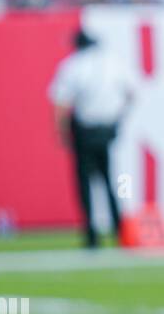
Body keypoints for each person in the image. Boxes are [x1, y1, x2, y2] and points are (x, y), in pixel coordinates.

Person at [48, 28, 136, 248]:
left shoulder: (73, 65)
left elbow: (61, 102)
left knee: (85, 183)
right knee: (110, 179)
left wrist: (61, 131)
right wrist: (117, 117)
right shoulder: (113, 62)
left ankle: (91, 234)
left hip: (84, 129)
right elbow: (131, 94)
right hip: (107, 127)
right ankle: (119, 229)